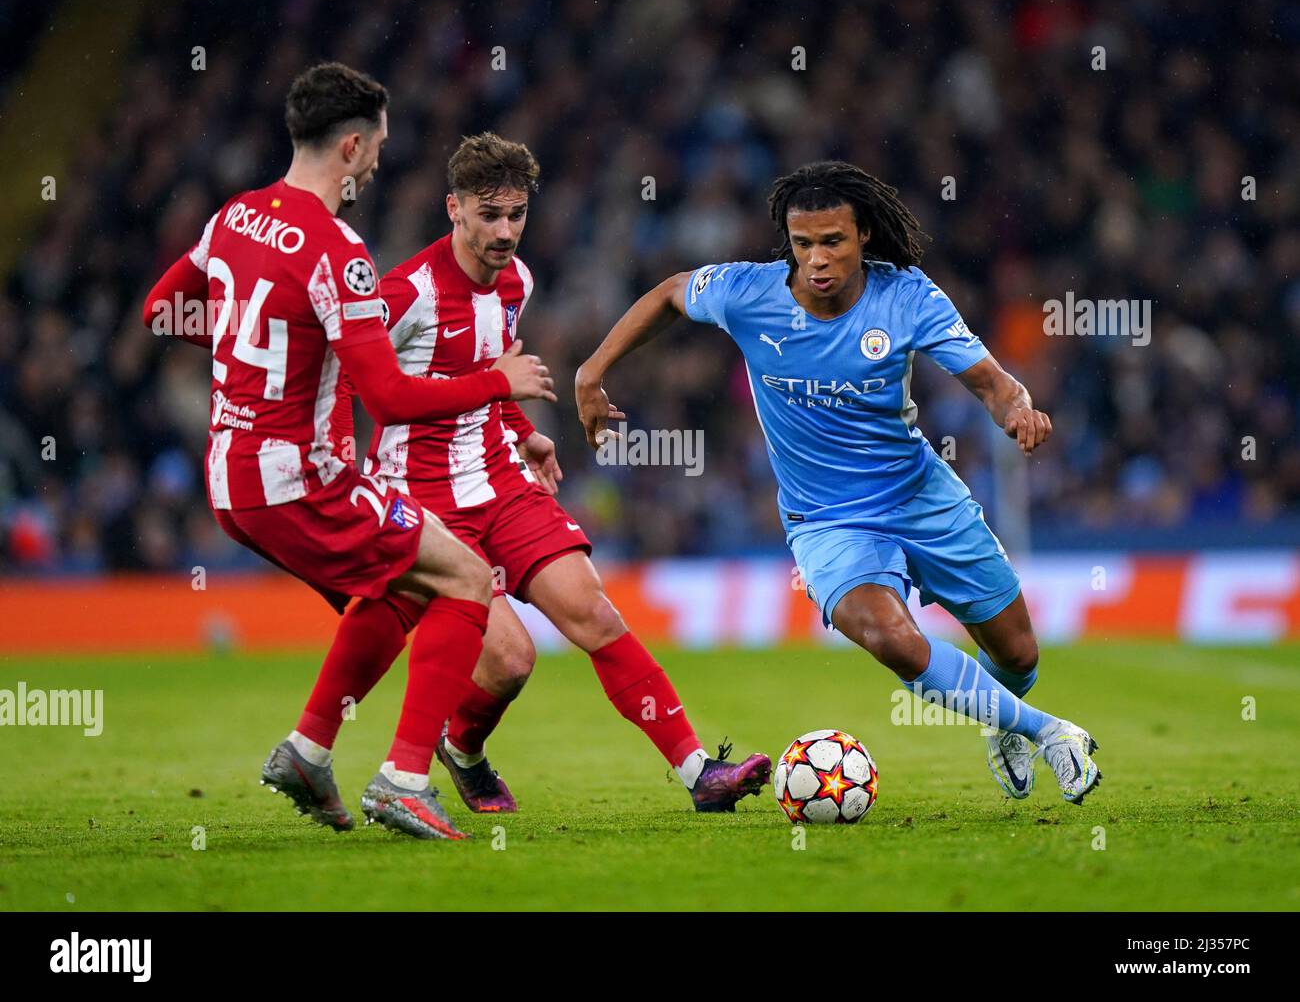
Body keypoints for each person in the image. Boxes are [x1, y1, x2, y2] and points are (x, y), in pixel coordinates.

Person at [576, 160, 1103, 804]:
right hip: (827, 522)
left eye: (833, 242)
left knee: (1019, 656)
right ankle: (1053, 734)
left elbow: (992, 384)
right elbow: (668, 292)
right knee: (891, 638)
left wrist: (1017, 409)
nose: (816, 259)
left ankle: (1004, 722)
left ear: (864, 239)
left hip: (921, 497)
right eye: (803, 245)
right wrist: (591, 372)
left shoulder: (907, 296)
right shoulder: (747, 292)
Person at [143, 63, 556, 841]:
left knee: (400, 589)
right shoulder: (340, 252)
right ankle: (404, 779)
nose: (378, 161)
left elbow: (161, 309)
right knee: (464, 576)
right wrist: (495, 382)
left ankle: (307, 750)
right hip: (304, 476)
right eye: (379, 147)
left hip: (230, 479)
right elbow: (392, 397)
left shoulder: (231, 217)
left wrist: (251, 345)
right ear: (355, 146)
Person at [322, 132, 771, 818]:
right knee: (510, 661)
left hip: (500, 476)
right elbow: (364, 385)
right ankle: (459, 749)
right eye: (490, 215)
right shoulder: (404, 293)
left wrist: (523, 429)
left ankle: (700, 772)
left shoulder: (517, 283)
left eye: (517, 214)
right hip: (424, 495)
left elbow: (492, 367)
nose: (505, 232)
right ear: (454, 209)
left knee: (592, 611)